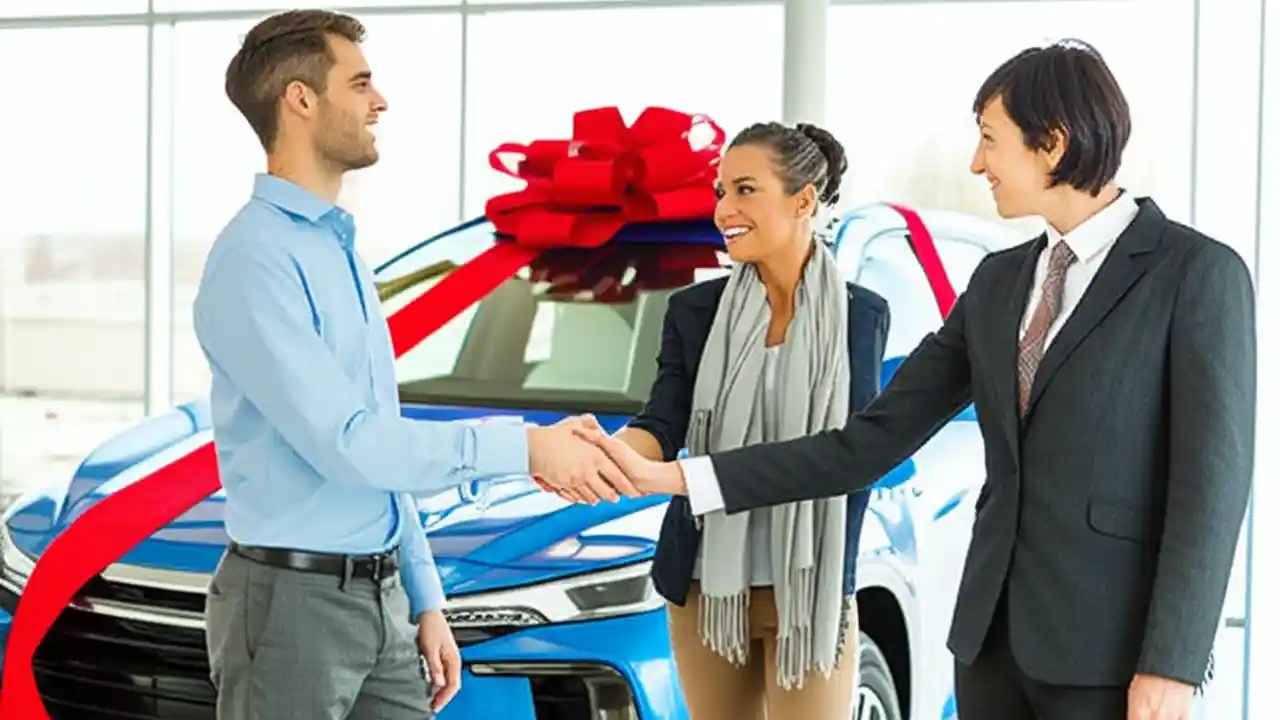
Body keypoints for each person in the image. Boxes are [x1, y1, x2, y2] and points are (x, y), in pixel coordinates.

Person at [580, 40, 1256, 720]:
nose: (976, 162)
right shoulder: (999, 282)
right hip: (990, 650)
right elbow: (865, 445)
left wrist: (1171, 663)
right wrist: (677, 478)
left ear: (1052, 144)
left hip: (1112, 659)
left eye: (990, 140)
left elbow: (1211, 490)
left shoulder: (1195, 275)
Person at [194, 10, 630, 720]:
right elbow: (351, 445)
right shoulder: (254, 260)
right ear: (300, 100)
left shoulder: (338, 250)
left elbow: (384, 439)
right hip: (291, 613)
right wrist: (525, 446)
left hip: (382, 599)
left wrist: (425, 597)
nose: (380, 102)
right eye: (360, 82)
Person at [542, 121, 889, 718]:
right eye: (720, 192)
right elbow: (663, 422)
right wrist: (611, 455)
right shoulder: (694, 312)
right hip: (707, 584)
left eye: (745, 190)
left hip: (811, 582)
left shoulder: (861, 316)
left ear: (803, 199)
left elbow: (844, 454)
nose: (724, 209)